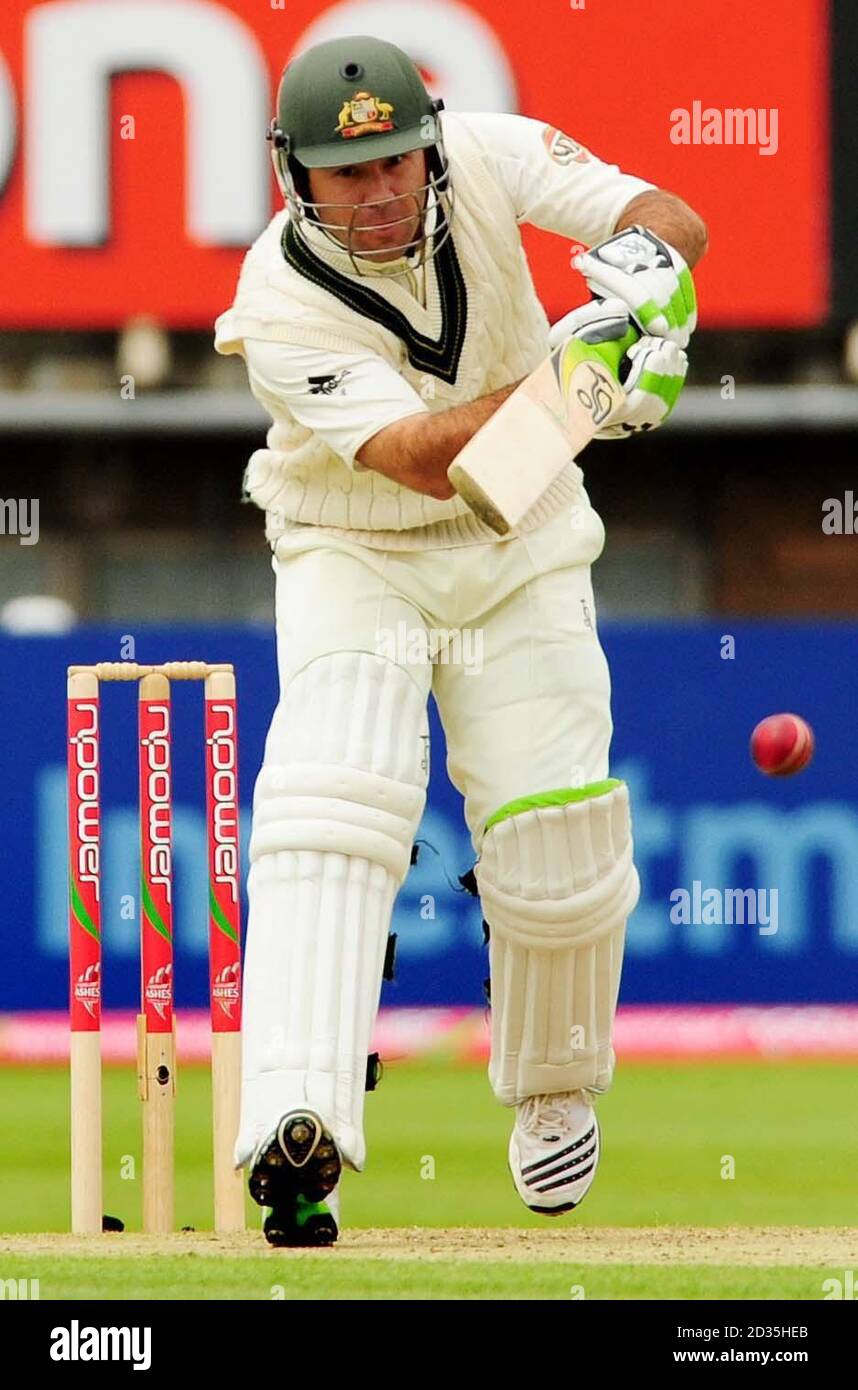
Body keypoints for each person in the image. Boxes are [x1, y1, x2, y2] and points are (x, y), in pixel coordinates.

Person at [214, 34, 706, 1246]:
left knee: (559, 843)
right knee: (337, 802)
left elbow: (670, 213)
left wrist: (652, 288)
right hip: (354, 548)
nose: (377, 192)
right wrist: (581, 376)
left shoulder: (487, 153)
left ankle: (552, 1085)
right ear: (296, 175)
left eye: (393, 161)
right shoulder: (276, 300)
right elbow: (424, 465)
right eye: (347, 173)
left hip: (525, 536)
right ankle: (296, 1120)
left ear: (428, 143)